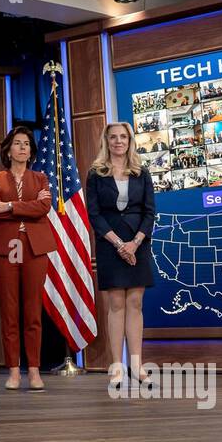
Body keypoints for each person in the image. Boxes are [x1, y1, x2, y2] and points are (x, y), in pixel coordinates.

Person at [85, 122, 157, 389]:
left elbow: (149, 212)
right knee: (116, 303)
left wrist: (135, 243)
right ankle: (116, 366)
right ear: (107, 141)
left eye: (123, 137)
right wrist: (118, 244)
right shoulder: (96, 173)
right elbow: (94, 214)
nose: (118, 141)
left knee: (135, 302)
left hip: (138, 243)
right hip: (109, 243)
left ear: (130, 140)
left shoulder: (142, 172)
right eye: (113, 137)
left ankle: (137, 366)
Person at [0, 126, 54, 391]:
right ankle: (14, 371)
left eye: (27, 144)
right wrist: (26, 208)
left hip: (35, 247)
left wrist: (11, 206)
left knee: (33, 311)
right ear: (8, 149)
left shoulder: (41, 179)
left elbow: (44, 207)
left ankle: (34, 371)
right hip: (6, 247)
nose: (23, 147)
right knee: (9, 311)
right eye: (18, 143)